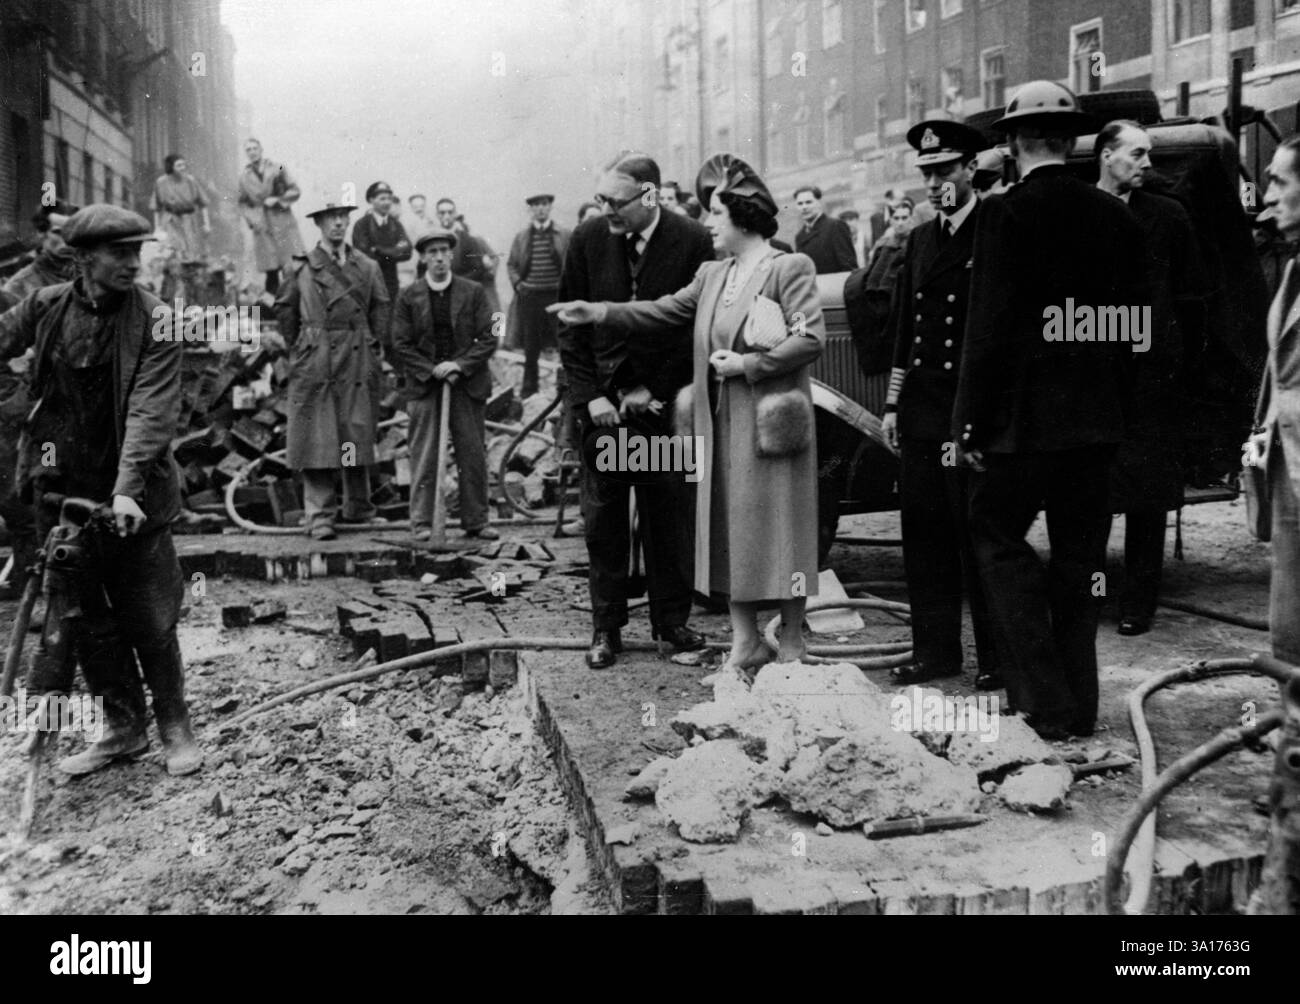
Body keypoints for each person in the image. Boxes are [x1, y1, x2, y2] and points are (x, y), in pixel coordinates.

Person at [551, 154, 824, 670]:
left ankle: (712, 628)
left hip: (716, 416)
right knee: (636, 523)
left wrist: (673, 387)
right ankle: (628, 630)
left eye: (616, 200)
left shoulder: (743, 255)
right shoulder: (609, 244)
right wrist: (597, 357)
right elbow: (623, 319)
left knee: (708, 520)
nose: (605, 208)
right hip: (656, 416)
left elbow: (796, 337)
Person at [952, 81, 1148, 741]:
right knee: (1080, 559)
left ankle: (1041, 697)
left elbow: (989, 329)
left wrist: (970, 422)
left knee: (996, 537)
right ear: (1073, 142)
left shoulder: (1004, 214)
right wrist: (1113, 408)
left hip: (1020, 427)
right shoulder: (1116, 215)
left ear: (1011, 144)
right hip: (1093, 426)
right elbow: (1134, 328)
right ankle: (1081, 703)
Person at [0, 204, 202, 777]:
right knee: (86, 614)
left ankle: (173, 725)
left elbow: (150, 411)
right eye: (119, 253)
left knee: (150, 612)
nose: (133, 264)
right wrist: (16, 403)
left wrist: (128, 490)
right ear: (83, 259)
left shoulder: (156, 319)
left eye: (137, 251)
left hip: (133, 491)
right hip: (63, 487)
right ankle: (122, 727)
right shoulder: (45, 307)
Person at [554, 151, 713, 669]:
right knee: (604, 522)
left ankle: (672, 624)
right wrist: (593, 395)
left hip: (660, 408)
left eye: (615, 201)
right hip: (603, 409)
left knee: (667, 516)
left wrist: (657, 390)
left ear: (650, 196)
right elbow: (569, 328)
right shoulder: (588, 239)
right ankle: (606, 628)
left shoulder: (691, 239)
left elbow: (694, 328)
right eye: (600, 199)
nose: (606, 210)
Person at [880, 120, 1000, 690]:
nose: (934, 184)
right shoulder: (921, 239)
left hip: (971, 408)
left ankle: (997, 658)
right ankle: (936, 653)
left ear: (971, 170)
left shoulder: (996, 229)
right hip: (925, 408)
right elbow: (907, 328)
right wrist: (892, 404)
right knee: (924, 536)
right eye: (927, 173)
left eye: (944, 171)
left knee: (978, 534)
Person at [1096, 120, 1207, 637]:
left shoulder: (1168, 216)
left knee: (1146, 499)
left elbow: (1191, 299)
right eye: (1137, 154)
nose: (1146, 164)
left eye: (1150, 155)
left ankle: (1138, 602)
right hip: (1091, 380)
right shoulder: (1079, 215)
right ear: (1106, 155)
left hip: (1151, 381)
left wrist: (1171, 361)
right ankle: (1089, 595)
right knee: (1088, 494)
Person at [275, 194, 389, 541]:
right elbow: (285, 310)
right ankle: (320, 514)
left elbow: (380, 309)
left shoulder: (367, 266)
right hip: (317, 356)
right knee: (318, 435)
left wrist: (372, 346)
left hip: (356, 355)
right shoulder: (302, 266)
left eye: (343, 216)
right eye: (331, 217)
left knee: (353, 431)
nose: (338, 223)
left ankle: (358, 506)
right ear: (318, 223)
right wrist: (302, 346)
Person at [391, 229, 499, 543]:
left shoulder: (474, 291)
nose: (439, 257)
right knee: (424, 455)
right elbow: (401, 343)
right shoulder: (408, 296)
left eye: (443, 251)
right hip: (425, 386)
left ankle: (476, 521)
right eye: (432, 252)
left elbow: (490, 336)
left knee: (472, 454)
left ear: (451, 255)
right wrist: (433, 370)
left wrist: (459, 366)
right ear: (423, 258)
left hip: (467, 384)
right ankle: (422, 523)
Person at [0, 203, 79, 602]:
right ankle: (37, 587)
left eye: (70, 234)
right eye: (55, 234)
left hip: (78, 408)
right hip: (35, 412)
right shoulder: (21, 287)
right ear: (41, 236)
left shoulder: (84, 277)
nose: (64, 243)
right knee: (32, 493)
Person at [1245, 135, 1300, 669]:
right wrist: (1265, 425)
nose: (1268, 196)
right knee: (1289, 639)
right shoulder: (1291, 269)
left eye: (1280, 182)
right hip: (1290, 478)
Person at [508, 194, 570, 397]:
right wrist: (519, 284)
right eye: (536, 205)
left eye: (544, 204)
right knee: (530, 345)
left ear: (550, 207)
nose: (541, 209)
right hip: (530, 297)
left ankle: (567, 386)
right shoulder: (522, 236)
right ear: (530, 210)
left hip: (556, 296)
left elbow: (571, 263)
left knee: (564, 341)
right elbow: (512, 265)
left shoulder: (563, 234)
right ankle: (529, 389)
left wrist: (565, 286)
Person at [236, 138, 305, 299]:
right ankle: (274, 310)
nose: (252, 152)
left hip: (282, 221)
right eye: (248, 150)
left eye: (254, 148)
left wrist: (278, 200)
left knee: (289, 266)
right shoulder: (244, 177)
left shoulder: (277, 168)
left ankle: (294, 305)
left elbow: (295, 190)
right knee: (270, 270)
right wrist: (253, 220)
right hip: (262, 225)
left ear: (261, 149)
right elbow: (242, 203)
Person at [350, 181, 412, 340]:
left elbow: (407, 251)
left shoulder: (395, 225)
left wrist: (379, 250)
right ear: (371, 200)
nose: (387, 203)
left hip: (391, 282)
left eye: (389, 198)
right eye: (382, 198)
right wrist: (393, 251)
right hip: (369, 283)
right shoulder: (362, 225)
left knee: (391, 323)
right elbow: (365, 257)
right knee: (372, 323)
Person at [151, 153, 211, 303]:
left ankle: (190, 300)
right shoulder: (161, 182)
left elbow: (203, 204)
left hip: (188, 222)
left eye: (184, 165)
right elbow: (156, 208)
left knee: (190, 260)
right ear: (171, 167)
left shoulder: (191, 181)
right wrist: (157, 228)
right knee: (174, 259)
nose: (182, 168)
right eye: (179, 165)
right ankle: (174, 299)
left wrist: (206, 223)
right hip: (170, 221)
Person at [435, 198, 500, 313]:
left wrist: (456, 282)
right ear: (437, 215)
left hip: (463, 292)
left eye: (450, 212)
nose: (446, 216)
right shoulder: (432, 238)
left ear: (455, 214)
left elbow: (479, 268)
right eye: (442, 213)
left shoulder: (467, 239)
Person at [793, 185, 858, 273]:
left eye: (808, 202)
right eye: (800, 204)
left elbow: (849, 266)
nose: (804, 207)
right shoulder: (800, 236)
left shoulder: (835, 226)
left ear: (819, 203)